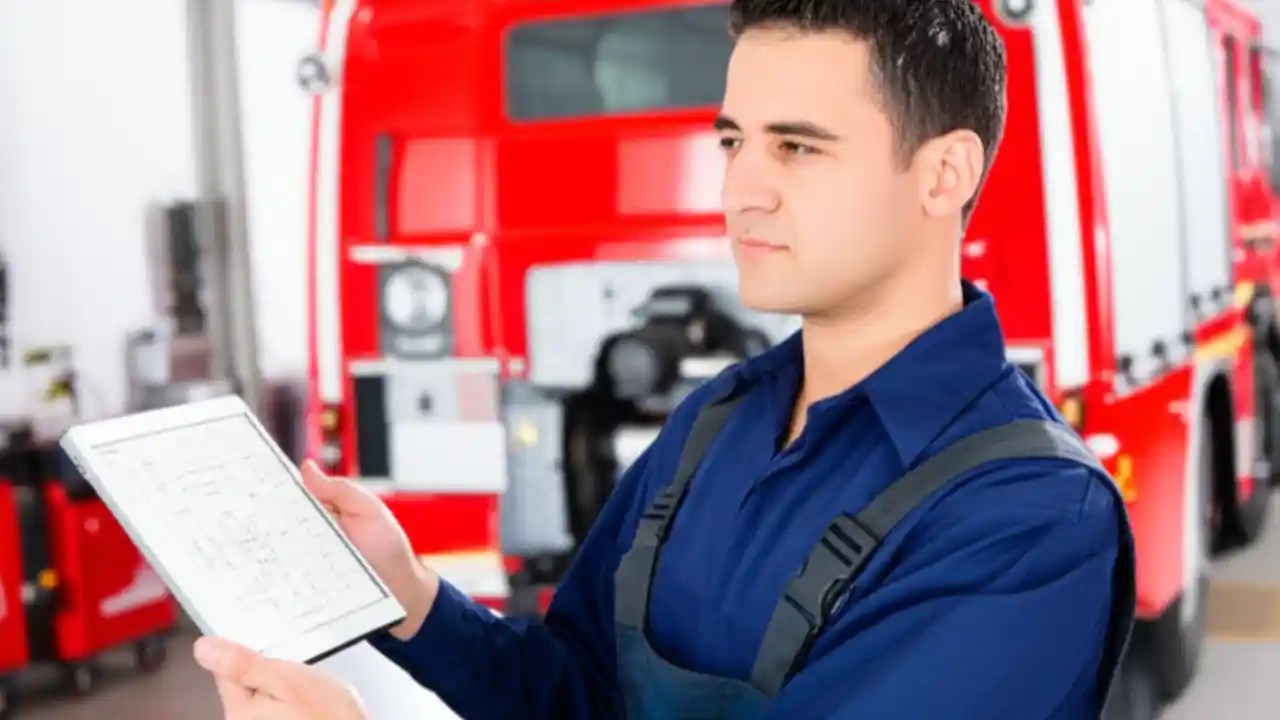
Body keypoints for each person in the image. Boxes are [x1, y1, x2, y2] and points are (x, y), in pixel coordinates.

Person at [194, 0, 1136, 717]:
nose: (740, 192)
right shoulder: (720, 423)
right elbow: (575, 692)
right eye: (734, 141)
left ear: (944, 174)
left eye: (798, 148)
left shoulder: (1029, 518)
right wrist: (409, 597)